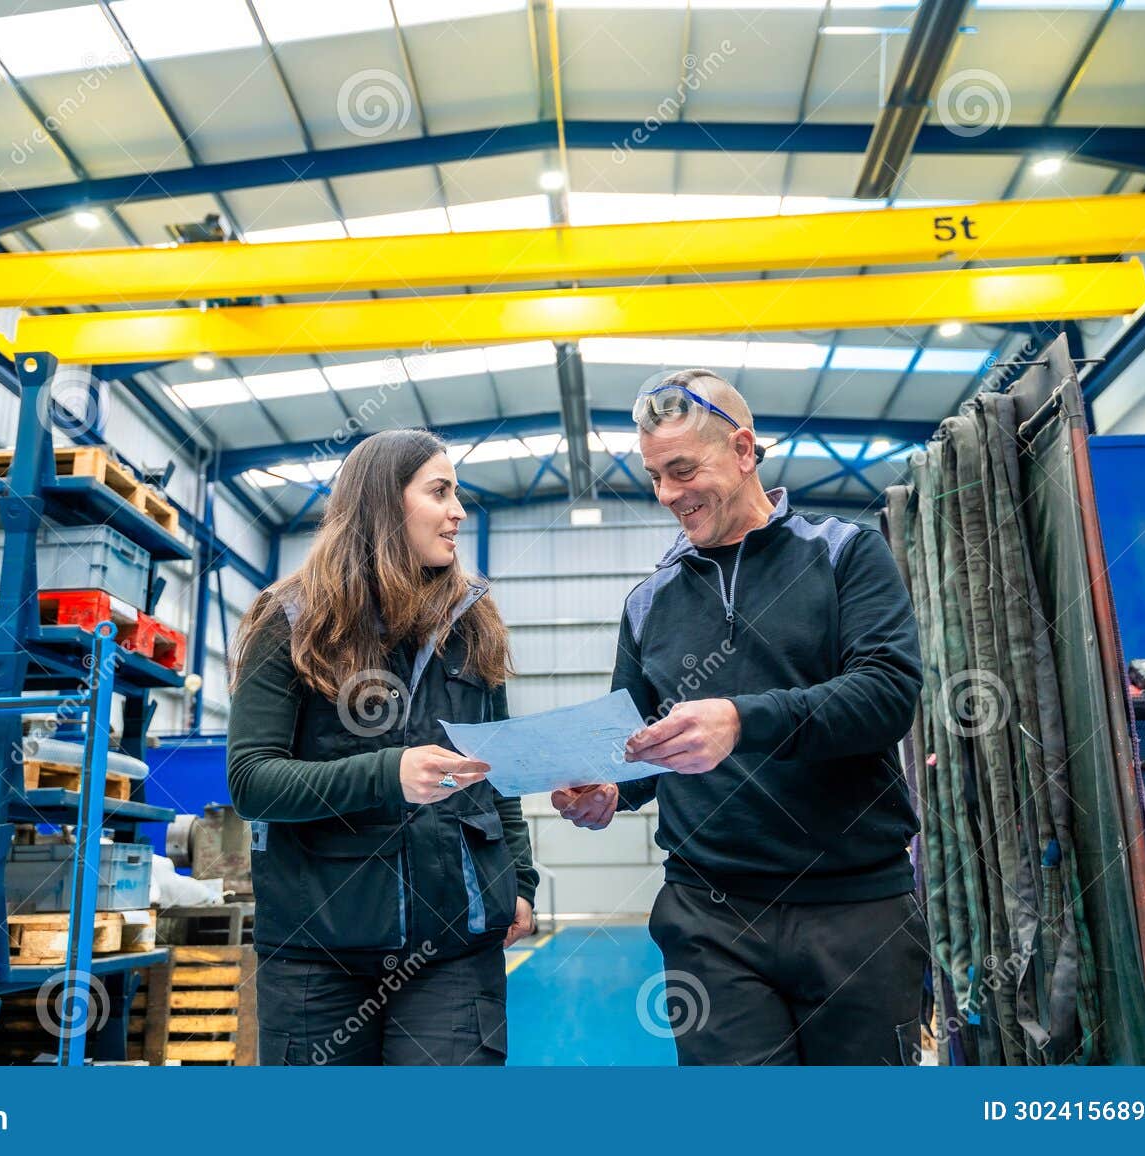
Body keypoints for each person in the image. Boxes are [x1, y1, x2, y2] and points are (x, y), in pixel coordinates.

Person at [553, 369, 927, 1065]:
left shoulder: (844, 554)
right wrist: (610, 788)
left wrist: (741, 720)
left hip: (856, 908)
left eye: (683, 469)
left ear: (745, 450)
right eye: (655, 477)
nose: (669, 495)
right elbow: (635, 745)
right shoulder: (648, 603)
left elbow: (886, 696)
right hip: (709, 919)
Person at [226, 429, 537, 1066]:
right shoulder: (290, 622)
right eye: (441, 492)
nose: (459, 512)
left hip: (453, 949)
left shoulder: (472, 623)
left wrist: (521, 882)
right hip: (318, 953)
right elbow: (252, 780)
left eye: (458, 494)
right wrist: (387, 772)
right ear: (383, 506)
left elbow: (495, 770)